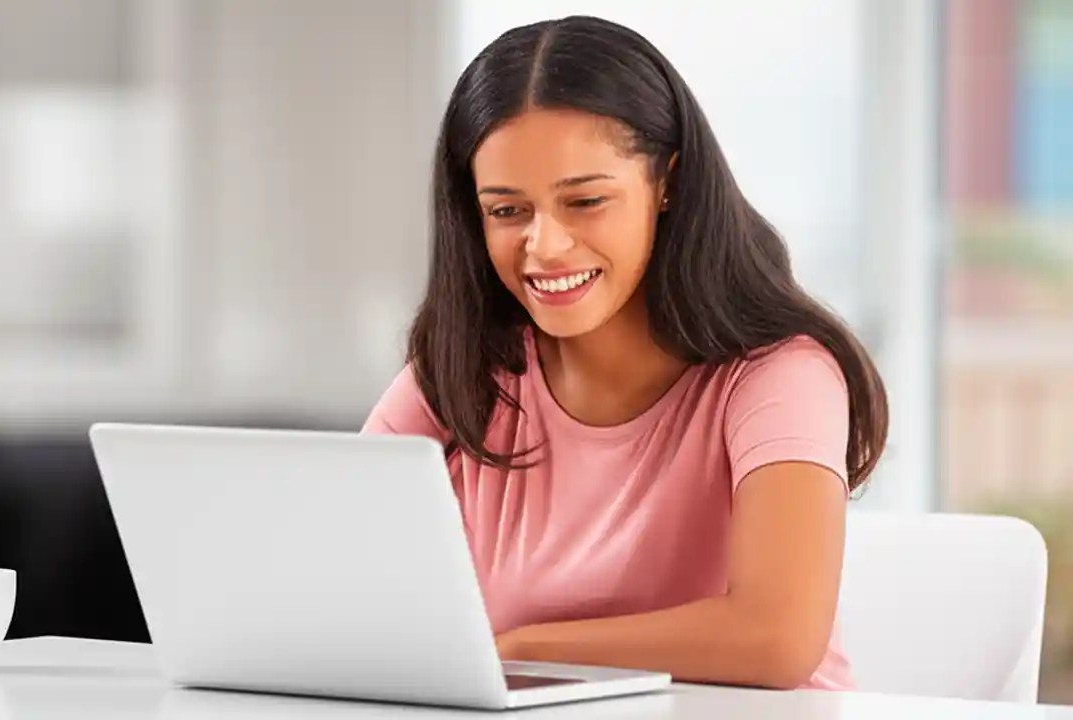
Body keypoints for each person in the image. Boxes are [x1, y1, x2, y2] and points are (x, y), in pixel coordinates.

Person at [362, 15, 888, 690]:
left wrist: (518, 648)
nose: (544, 245)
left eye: (584, 201)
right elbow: (335, 577)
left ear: (666, 182)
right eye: (506, 211)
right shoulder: (457, 375)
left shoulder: (781, 376)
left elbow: (777, 640)